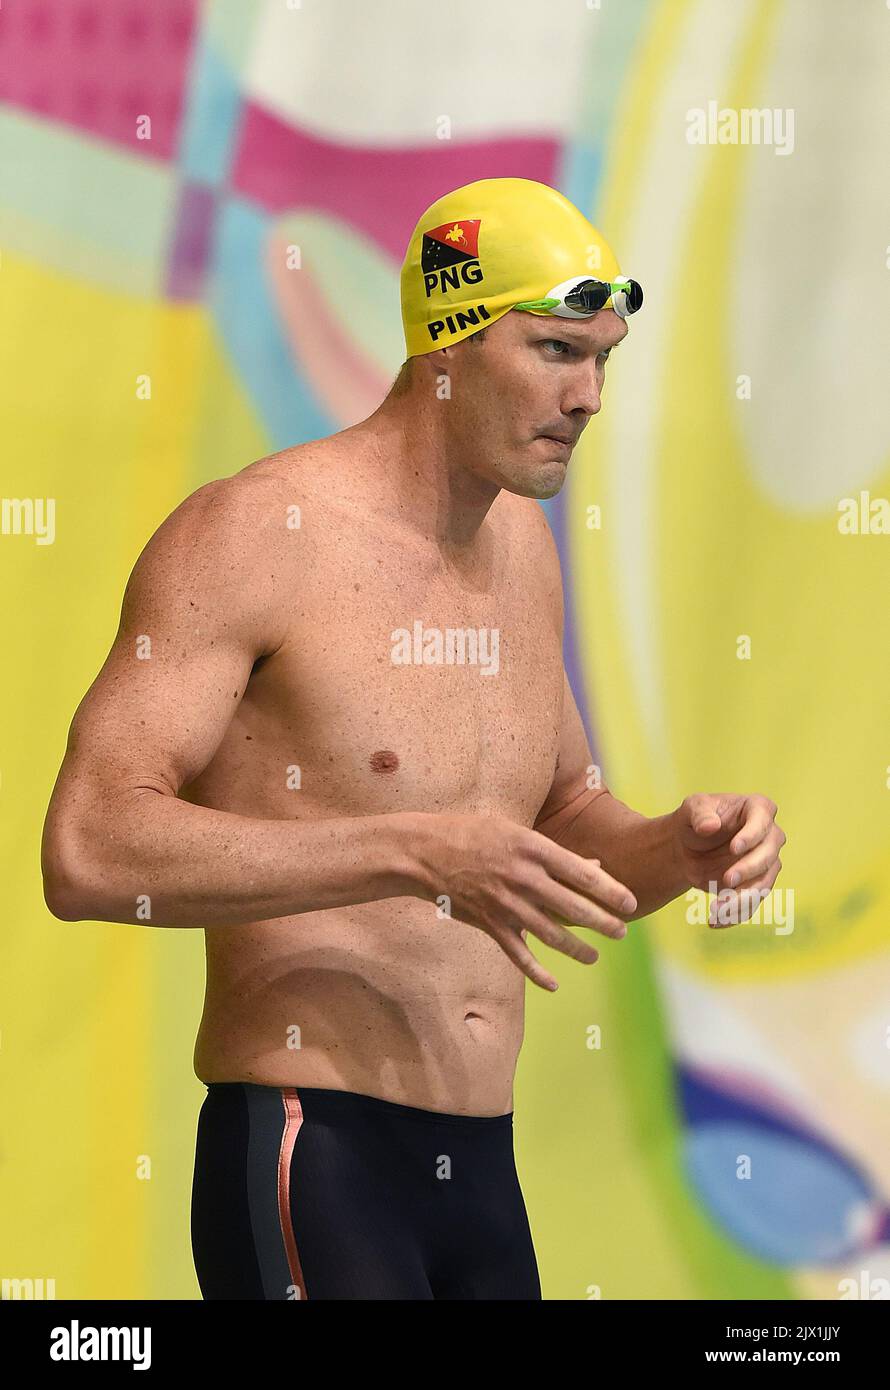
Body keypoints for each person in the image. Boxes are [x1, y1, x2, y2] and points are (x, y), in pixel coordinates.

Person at [42, 177, 785, 1300]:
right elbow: (88, 849)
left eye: (601, 361)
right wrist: (405, 849)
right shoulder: (253, 534)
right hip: (311, 1150)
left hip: (481, 1171)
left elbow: (555, 834)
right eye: (552, 351)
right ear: (443, 348)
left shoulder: (521, 550)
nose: (587, 397)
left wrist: (678, 849)